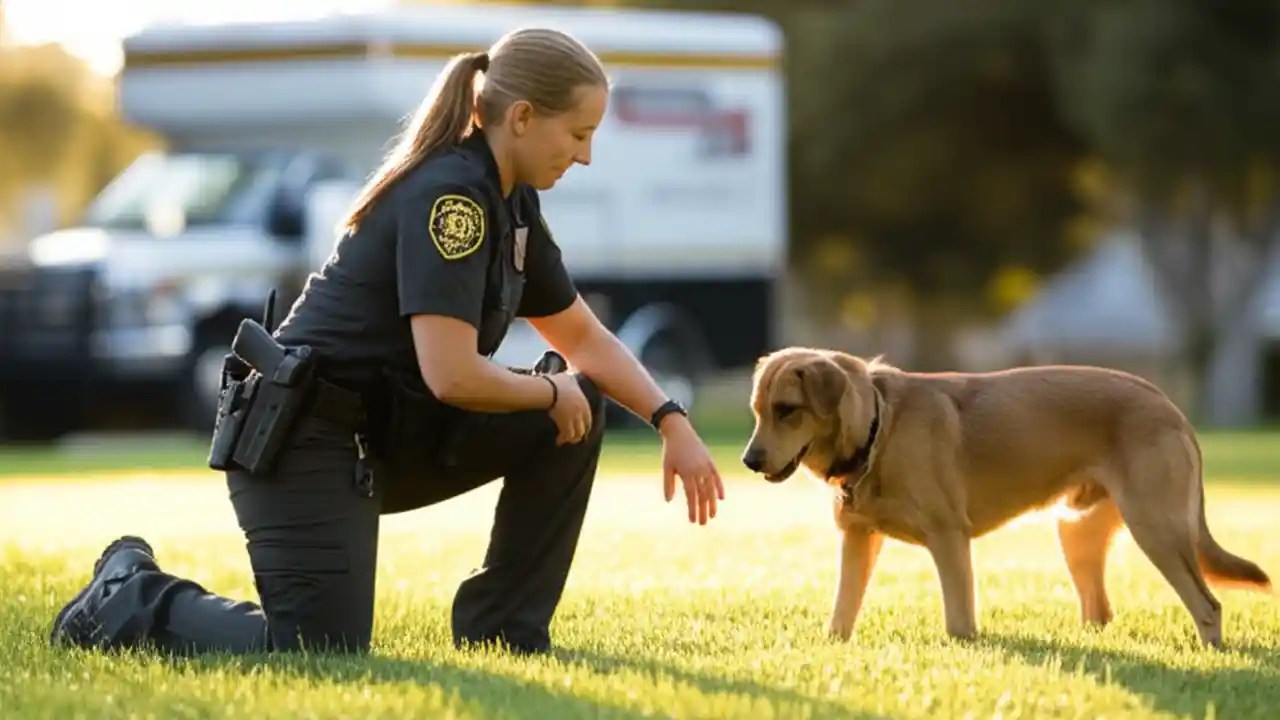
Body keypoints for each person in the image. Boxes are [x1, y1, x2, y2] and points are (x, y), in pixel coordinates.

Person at [49, 27, 725, 657]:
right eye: (577, 133)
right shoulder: (451, 199)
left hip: (386, 431)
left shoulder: (512, 200)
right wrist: (548, 389)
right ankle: (130, 592)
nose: (585, 153)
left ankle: (503, 629)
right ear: (521, 118)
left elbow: (580, 333)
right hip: (301, 439)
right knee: (317, 647)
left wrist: (671, 420)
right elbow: (452, 375)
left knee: (576, 409)